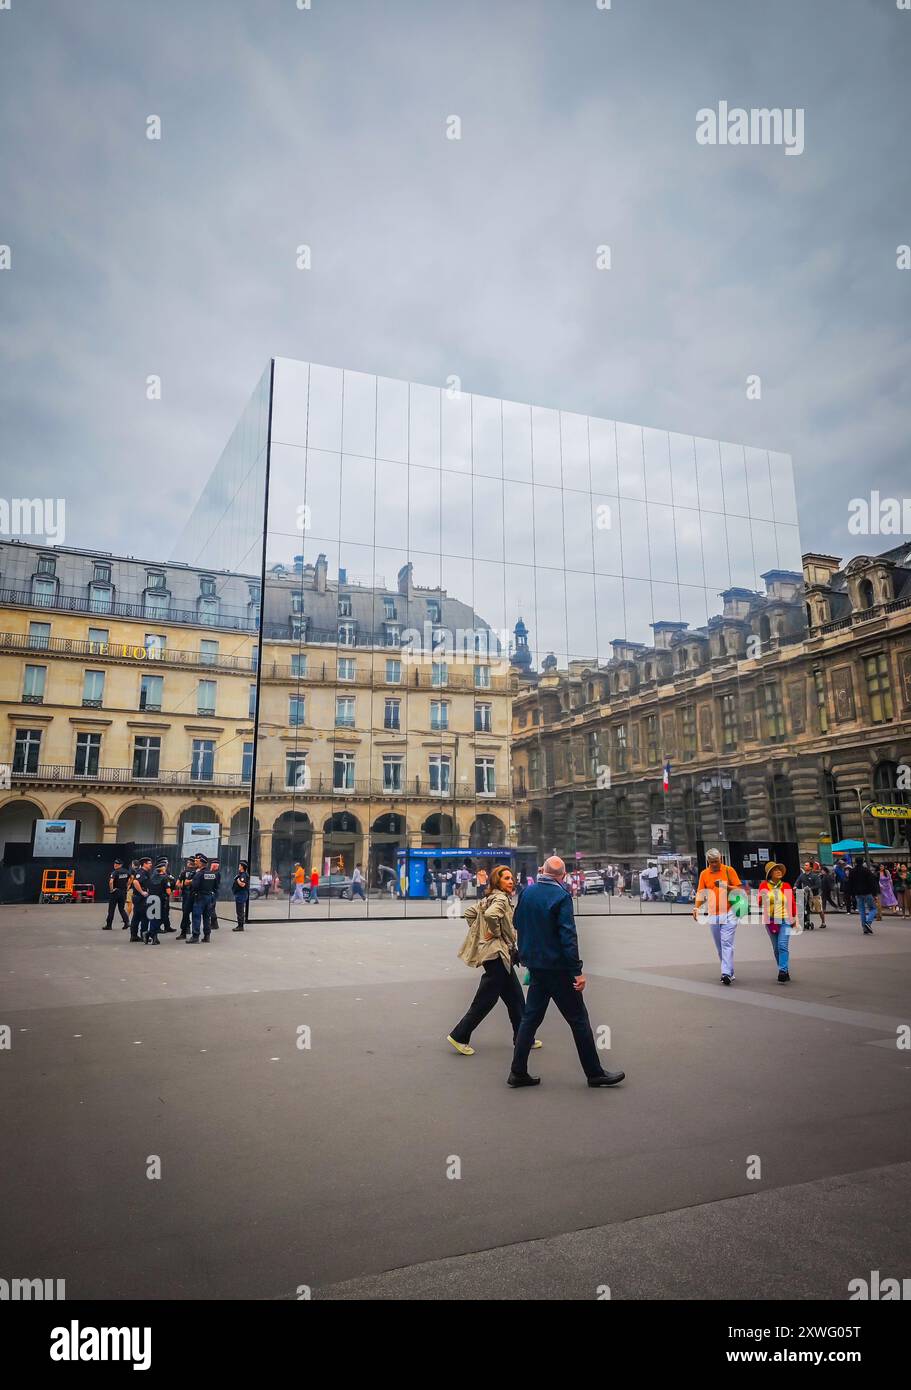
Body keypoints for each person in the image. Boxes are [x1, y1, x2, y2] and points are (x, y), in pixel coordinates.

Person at [508, 856, 625, 1089]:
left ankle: (517, 1071)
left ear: (544, 871)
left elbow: (517, 922)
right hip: (558, 969)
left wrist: (528, 953)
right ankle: (594, 1073)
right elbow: (568, 936)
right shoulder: (561, 896)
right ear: (561, 875)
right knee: (579, 1020)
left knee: (529, 1020)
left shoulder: (528, 893)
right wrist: (577, 971)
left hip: (537, 967)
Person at [447, 864, 542, 1056]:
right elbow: (491, 916)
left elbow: (470, 913)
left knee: (515, 998)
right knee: (485, 1000)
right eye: (506, 878)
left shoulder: (489, 898)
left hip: (499, 955)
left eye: (511, 878)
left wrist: (482, 932)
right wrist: (494, 932)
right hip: (496, 955)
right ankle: (459, 1035)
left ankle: (523, 1038)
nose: (511, 881)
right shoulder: (500, 899)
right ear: (497, 881)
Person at [694, 848, 742, 985]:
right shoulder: (704, 874)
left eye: (717, 861)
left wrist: (724, 886)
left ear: (720, 859)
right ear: (708, 861)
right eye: (712, 862)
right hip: (713, 914)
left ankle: (725, 973)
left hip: (730, 911)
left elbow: (739, 889)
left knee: (726, 942)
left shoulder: (728, 870)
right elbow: (701, 893)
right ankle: (729, 971)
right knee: (720, 945)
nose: (715, 864)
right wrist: (696, 907)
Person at [758, 861, 797, 983]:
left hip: (785, 919)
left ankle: (782, 971)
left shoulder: (786, 885)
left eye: (780, 869)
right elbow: (759, 902)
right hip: (771, 920)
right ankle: (784, 969)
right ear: (770, 874)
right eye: (776, 870)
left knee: (782, 946)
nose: (779, 871)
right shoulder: (764, 886)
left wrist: (794, 917)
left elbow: (792, 902)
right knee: (776, 948)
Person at [188, 854, 220, 942]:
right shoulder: (212, 874)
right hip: (209, 897)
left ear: (201, 863)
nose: (196, 863)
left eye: (198, 862)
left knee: (196, 917)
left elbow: (195, 886)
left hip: (200, 898)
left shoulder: (199, 874)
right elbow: (215, 886)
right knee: (207, 917)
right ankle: (207, 936)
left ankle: (195, 936)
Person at [847, 859, 878, 935]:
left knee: (862, 911)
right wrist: (875, 894)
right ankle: (868, 922)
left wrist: (851, 894)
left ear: (855, 862)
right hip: (867, 892)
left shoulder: (852, 871)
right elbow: (872, 882)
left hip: (858, 893)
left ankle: (864, 928)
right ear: (862, 862)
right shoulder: (867, 871)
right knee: (873, 909)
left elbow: (850, 883)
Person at [145, 858, 171, 945]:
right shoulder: (164, 878)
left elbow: (148, 889)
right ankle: (151, 935)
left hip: (150, 899)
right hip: (160, 900)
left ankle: (152, 936)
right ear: (162, 869)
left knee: (153, 919)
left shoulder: (151, 877)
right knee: (160, 918)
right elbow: (168, 892)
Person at [795, 861, 825, 929]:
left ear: (810, 867)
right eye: (804, 865)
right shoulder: (802, 875)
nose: (804, 866)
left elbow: (818, 885)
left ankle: (823, 922)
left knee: (819, 910)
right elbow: (797, 882)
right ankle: (805, 921)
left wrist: (810, 888)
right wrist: (795, 886)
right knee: (805, 909)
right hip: (805, 895)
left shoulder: (815, 876)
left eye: (806, 865)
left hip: (814, 895)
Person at [103, 857, 131, 930]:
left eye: (117, 864)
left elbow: (111, 881)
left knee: (111, 909)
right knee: (121, 909)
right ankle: (126, 922)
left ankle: (109, 925)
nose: (115, 865)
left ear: (120, 865)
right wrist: (127, 886)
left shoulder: (115, 872)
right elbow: (131, 878)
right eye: (115, 863)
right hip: (123, 892)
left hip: (115, 892)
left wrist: (112, 890)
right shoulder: (126, 872)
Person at [129, 856, 152, 943]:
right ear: (144, 864)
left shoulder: (146, 872)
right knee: (144, 918)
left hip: (139, 898)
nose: (151, 865)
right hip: (140, 898)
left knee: (136, 917)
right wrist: (142, 892)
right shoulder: (141, 872)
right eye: (149, 863)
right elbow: (135, 882)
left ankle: (134, 936)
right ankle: (143, 936)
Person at [175, 859, 196, 939]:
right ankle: (195, 933)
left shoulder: (184, 872)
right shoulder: (197, 872)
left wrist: (183, 885)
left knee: (185, 914)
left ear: (188, 864)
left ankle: (185, 931)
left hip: (186, 895)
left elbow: (178, 884)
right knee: (196, 914)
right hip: (195, 895)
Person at [232, 860, 250, 931]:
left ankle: (240, 926)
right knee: (239, 910)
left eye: (239, 865)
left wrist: (237, 879)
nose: (238, 867)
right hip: (239, 894)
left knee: (240, 910)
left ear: (242, 867)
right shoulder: (241, 874)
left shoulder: (244, 875)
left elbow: (242, 884)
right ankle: (240, 925)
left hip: (241, 894)